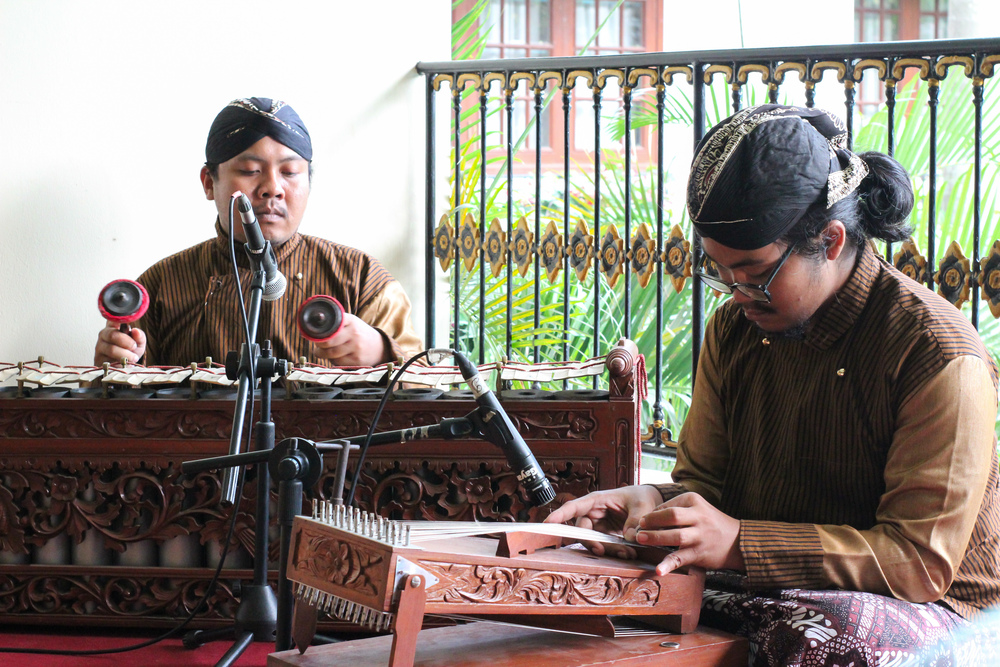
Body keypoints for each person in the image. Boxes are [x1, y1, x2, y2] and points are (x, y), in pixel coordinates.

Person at [546, 104, 1000, 665]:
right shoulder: (734, 329)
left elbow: (918, 562)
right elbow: (703, 485)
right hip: (772, 589)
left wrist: (739, 543)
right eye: (720, 272)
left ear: (831, 242)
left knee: (827, 635)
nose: (737, 295)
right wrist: (651, 506)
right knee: (601, 589)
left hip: (940, 613)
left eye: (757, 276)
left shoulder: (936, 353)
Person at [93, 97, 422, 368]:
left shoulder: (361, 277)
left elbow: (427, 379)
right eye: (250, 171)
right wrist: (117, 360)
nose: (272, 188)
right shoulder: (159, 287)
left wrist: (381, 352)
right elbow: (121, 398)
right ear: (210, 182)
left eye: (290, 172)